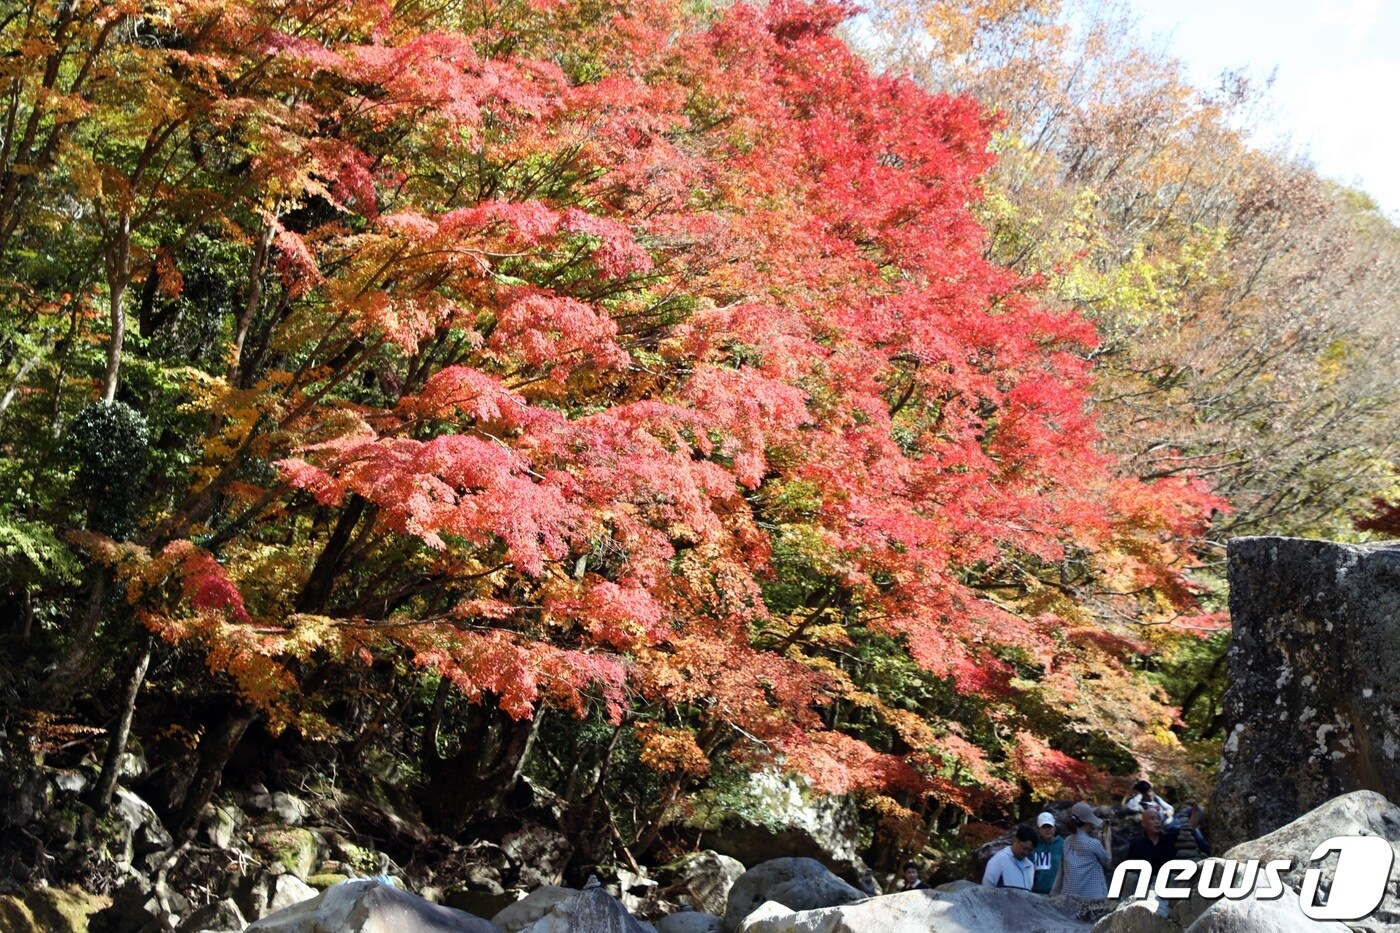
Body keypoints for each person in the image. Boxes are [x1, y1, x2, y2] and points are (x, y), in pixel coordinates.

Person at [1050, 802, 1111, 898]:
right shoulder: (1093, 844)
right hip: (1093, 898)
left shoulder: (1067, 841)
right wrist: (1107, 841)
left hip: (1069, 896)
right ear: (1087, 822)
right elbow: (1108, 862)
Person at [1125, 805, 1179, 877]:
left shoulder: (1170, 838)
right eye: (1152, 819)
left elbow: (1191, 826)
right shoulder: (1136, 845)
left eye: (1159, 819)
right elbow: (1129, 869)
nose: (1157, 821)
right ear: (1144, 824)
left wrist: (1195, 810)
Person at [982, 825, 1037, 890]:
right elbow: (986, 890)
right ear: (1015, 840)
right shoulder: (998, 860)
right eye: (1024, 848)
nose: (1026, 853)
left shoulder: (1030, 866)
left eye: (1030, 850)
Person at [1030, 811, 1064, 895]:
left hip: (1057, 893)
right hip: (1035, 893)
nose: (1047, 829)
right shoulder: (1033, 845)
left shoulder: (1063, 844)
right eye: (1044, 827)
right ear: (1038, 829)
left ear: (1055, 827)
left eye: (1050, 826)